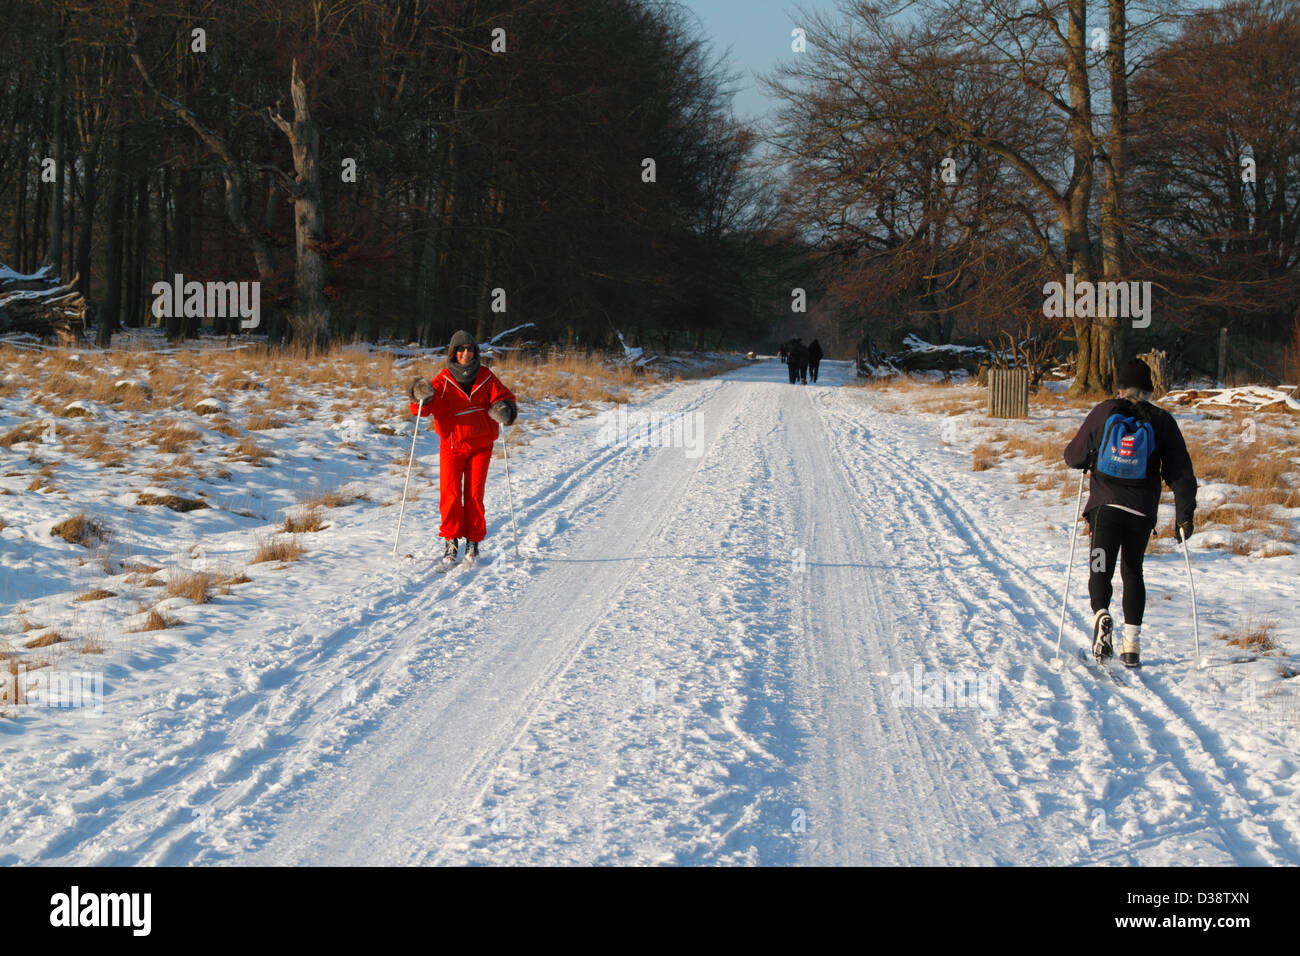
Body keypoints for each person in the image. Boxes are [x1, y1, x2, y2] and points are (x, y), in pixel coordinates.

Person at [1063, 359, 1197, 667]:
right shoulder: (1162, 421)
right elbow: (1181, 473)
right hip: (1141, 512)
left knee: (1100, 566)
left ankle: (1102, 616)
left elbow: (1072, 457)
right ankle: (1132, 645)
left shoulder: (1104, 411)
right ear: (1150, 391)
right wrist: (1184, 515)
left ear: (1120, 388)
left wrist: (1091, 458)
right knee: (1133, 571)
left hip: (1104, 509)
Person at [408, 330, 518, 564]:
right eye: (461, 349)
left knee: (474, 495)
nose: (466, 353)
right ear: (453, 352)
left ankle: (473, 541)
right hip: (452, 445)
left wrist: (504, 409)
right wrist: (421, 395)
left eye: (470, 349)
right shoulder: (443, 379)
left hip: (481, 445)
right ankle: (451, 541)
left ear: (475, 352)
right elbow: (420, 409)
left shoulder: (486, 377)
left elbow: (506, 398)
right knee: (450, 494)